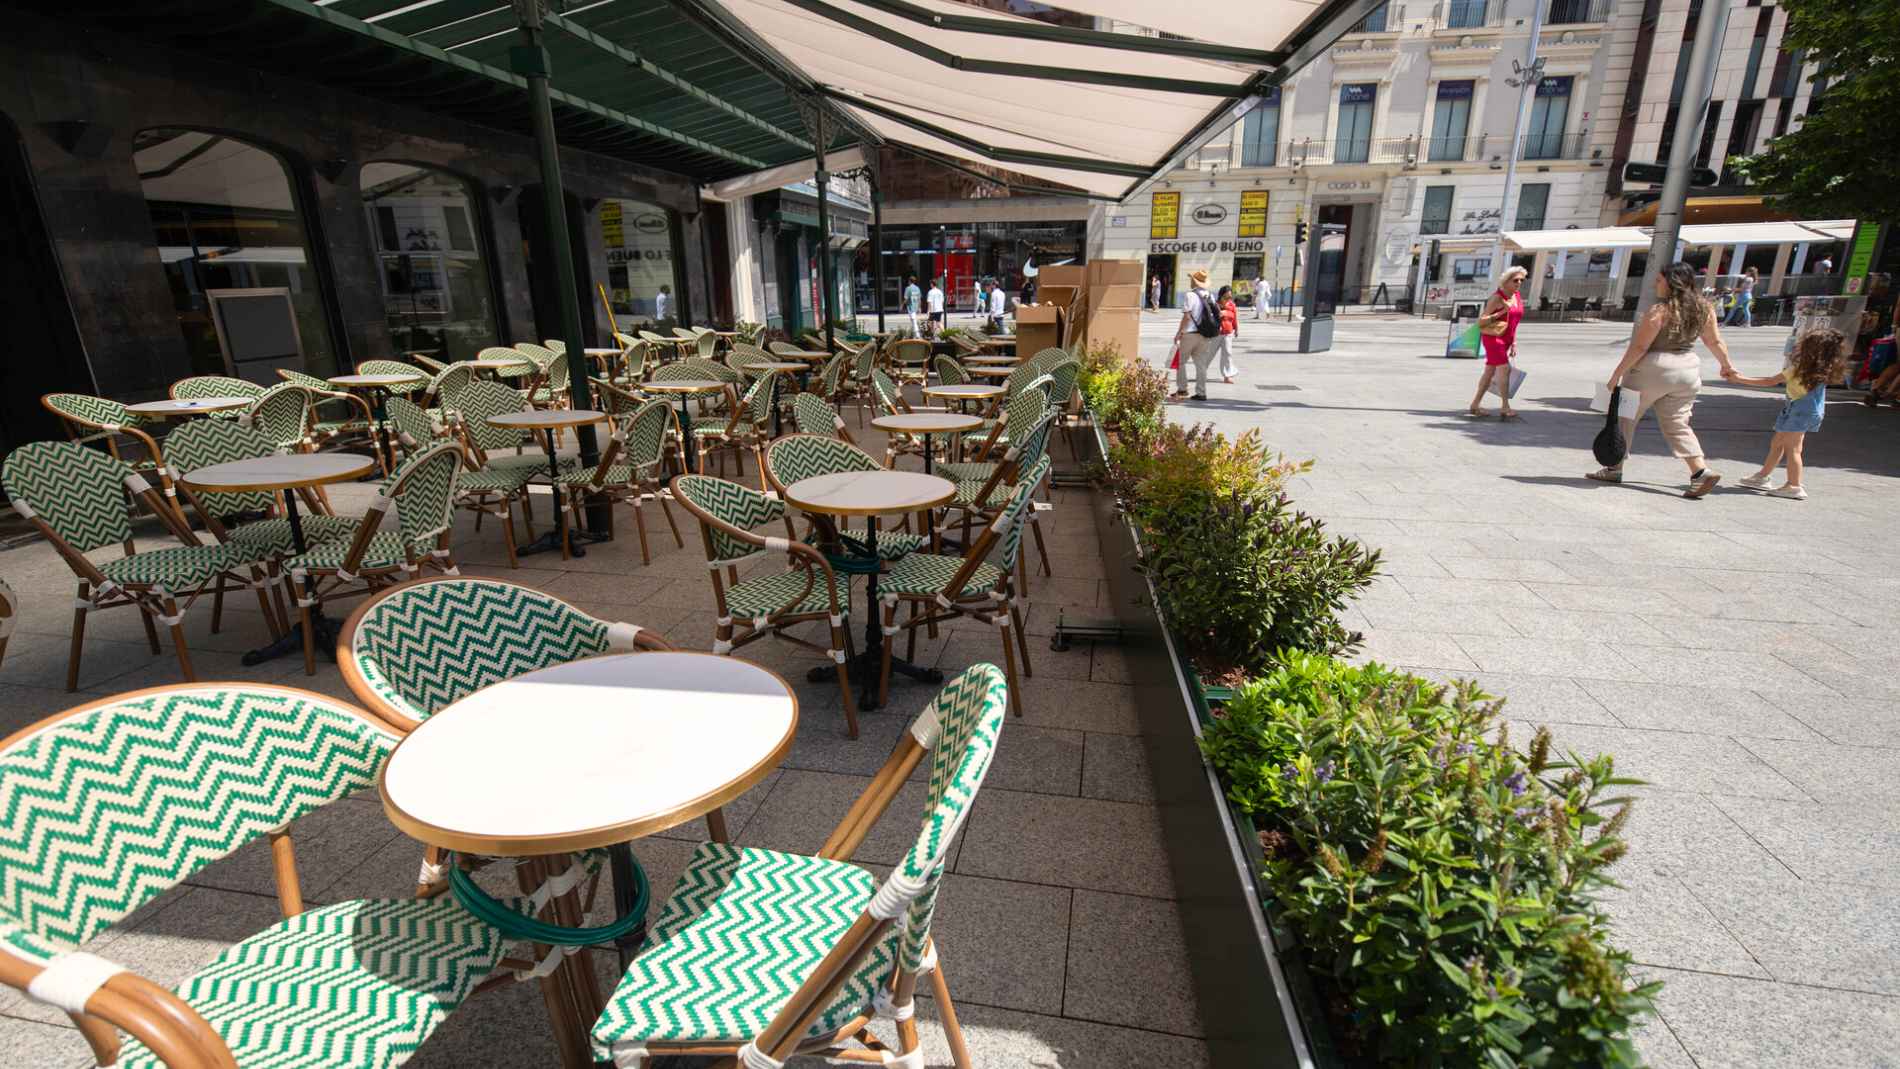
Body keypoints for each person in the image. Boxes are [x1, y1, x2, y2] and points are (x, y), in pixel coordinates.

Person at [1589, 262, 1738, 498]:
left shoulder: (1660, 311)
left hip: (1652, 369)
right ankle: (1700, 471)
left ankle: (1614, 467)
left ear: (1672, 282)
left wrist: (1617, 374)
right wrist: (1727, 365)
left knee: (1625, 417)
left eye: (1659, 280)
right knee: (1678, 423)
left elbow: (1639, 347)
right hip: (1688, 370)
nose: (1655, 284)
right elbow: (1714, 341)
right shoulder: (1704, 309)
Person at [1727, 327, 1847, 500]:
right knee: (1778, 443)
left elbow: (1769, 381)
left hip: (1799, 412)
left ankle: (1794, 485)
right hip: (1801, 410)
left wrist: (1738, 379)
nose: (1798, 345)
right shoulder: (1821, 370)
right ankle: (1762, 477)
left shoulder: (1798, 370)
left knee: (1793, 449)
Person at [1468, 266, 1526, 420]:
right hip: (1494, 338)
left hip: (1507, 338)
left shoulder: (1517, 296)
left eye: (1522, 280)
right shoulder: (1497, 297)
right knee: (1504, 369)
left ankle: (1475, 404)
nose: (1519, 283)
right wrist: (1501, 312)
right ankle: (1505, 406)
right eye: (1515, 280)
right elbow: (1481, 321)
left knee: (1489, 372)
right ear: (1506, 281)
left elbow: (1514, 322)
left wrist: (1514, 342)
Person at [1168, 268, 1219, 402]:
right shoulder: (1210, 295)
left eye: (1191, 279)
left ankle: (1182, 389)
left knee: (1181, 362)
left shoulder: (1190, 295)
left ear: (1194, 282)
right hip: (1205, 334)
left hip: (1190, 334)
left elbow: (1187, 317)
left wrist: (1179, 332)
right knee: (1201, 364)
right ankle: (1201, 393)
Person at [1215, 284, 1239, 383]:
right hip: (1215, 333)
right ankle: (1201, 372)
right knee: (1208, 354)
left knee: (1227, 354)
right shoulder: (1215, 304)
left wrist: (1236, 329)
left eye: (1230, 297)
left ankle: (1227, 376)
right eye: (1226, 297)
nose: (1228, 299)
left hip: (1227, 332)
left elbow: (1234, 317)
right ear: (1221, 295)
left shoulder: (1232, 305)